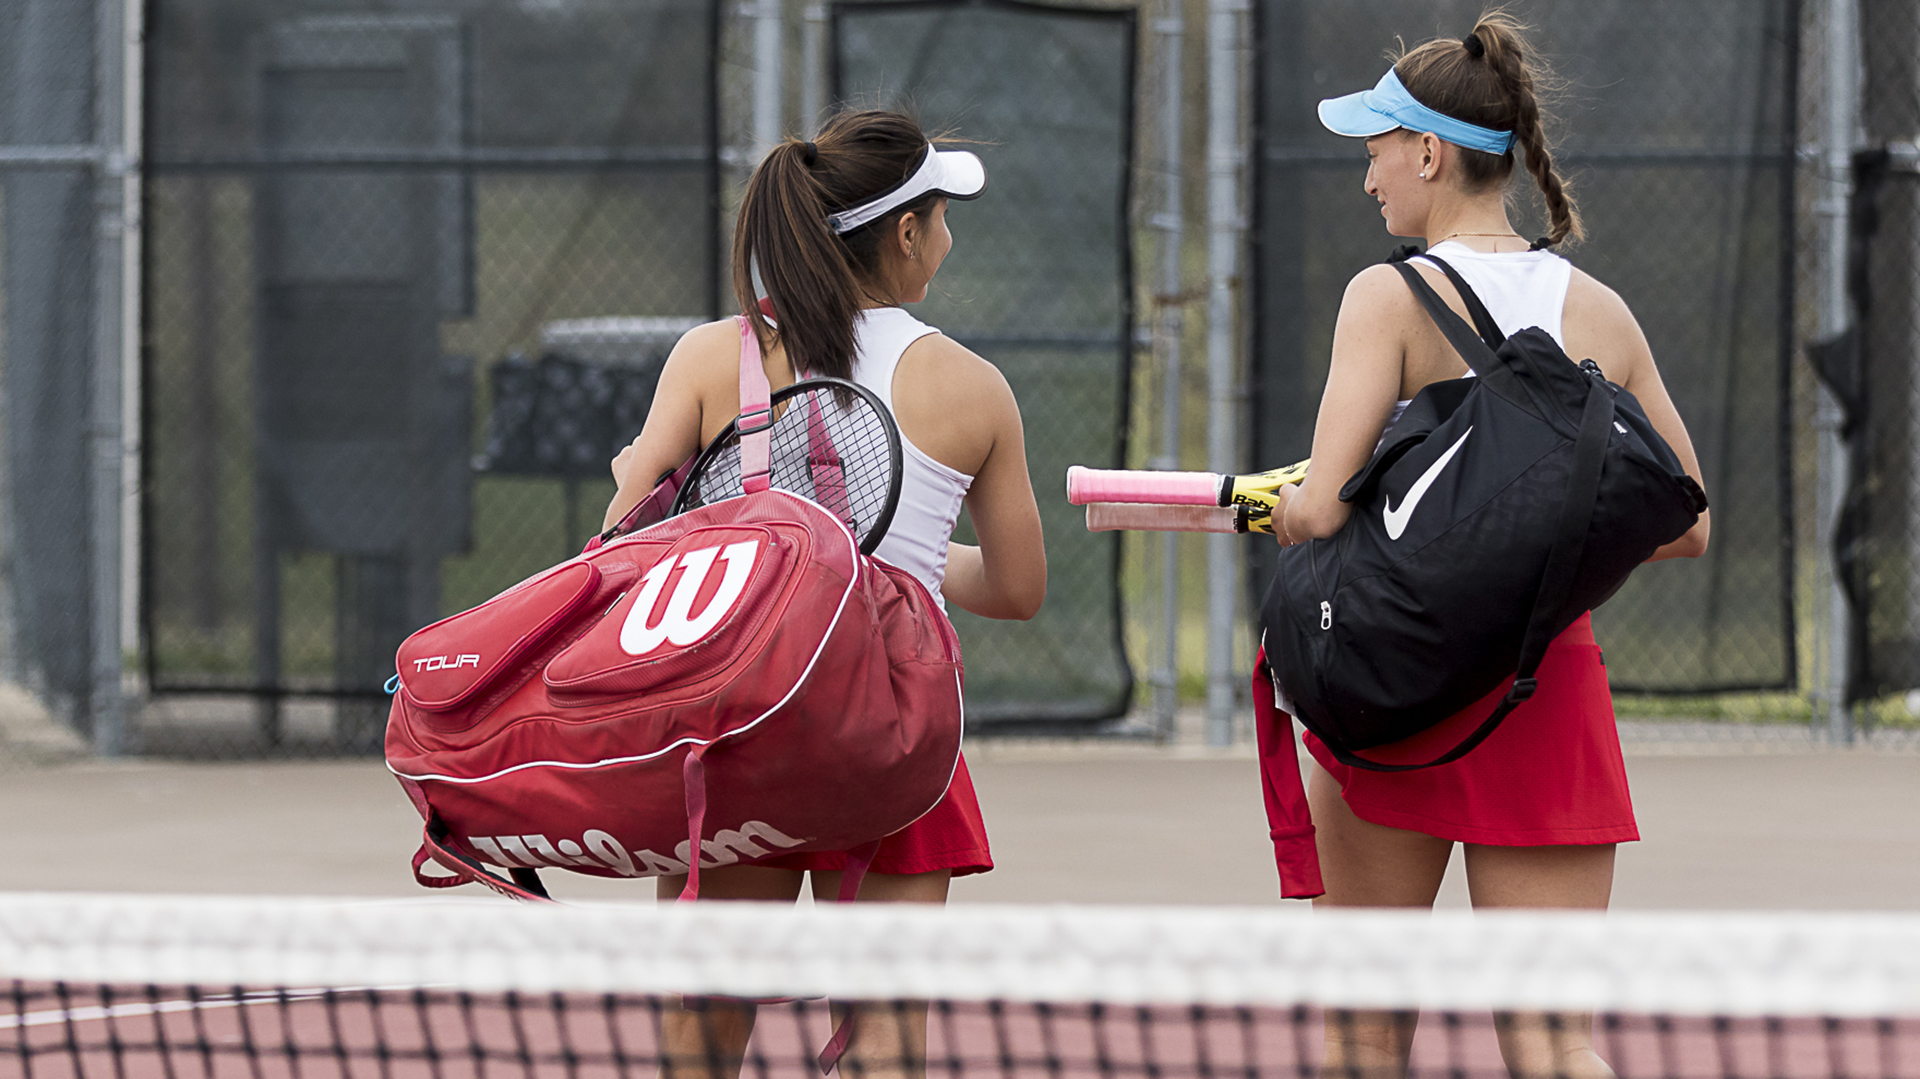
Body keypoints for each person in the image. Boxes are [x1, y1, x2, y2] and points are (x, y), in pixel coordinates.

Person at [1265, 13, 1711, 1079]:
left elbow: (1322, 509)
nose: (1368, 174)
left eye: (1376, 147)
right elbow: (1687, 521)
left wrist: (1287, 503)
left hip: (1396, 692)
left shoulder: (1385, 295)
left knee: (1366, 1033)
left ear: (1427, 151)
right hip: (1542, 686)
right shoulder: (1601, 311)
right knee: (1555, 1041)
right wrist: (1526, 550)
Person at [601, 109, 1047, 1079]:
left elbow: (622, 544)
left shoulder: (710, 356)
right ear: (905, 233)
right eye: (943, 216)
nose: (950, 237)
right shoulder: (972, 385)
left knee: (702, 1032)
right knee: (886, 1038)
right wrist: (921, 563)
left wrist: (636, 467)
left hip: (735, 729)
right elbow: (1018, 588)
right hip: (891, 737)